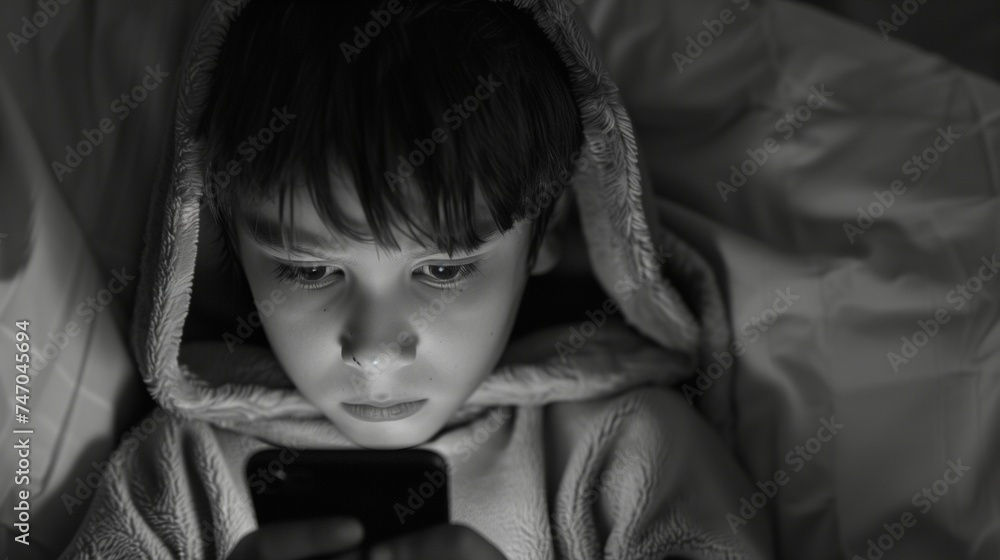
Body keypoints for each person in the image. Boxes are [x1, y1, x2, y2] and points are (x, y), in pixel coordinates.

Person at [60, 0, 773, 558]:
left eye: (444, 268)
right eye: (309, 270)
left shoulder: (627, 451)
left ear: (548, 234)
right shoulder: (177, 476)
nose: (373, 349)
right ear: (219, 237)